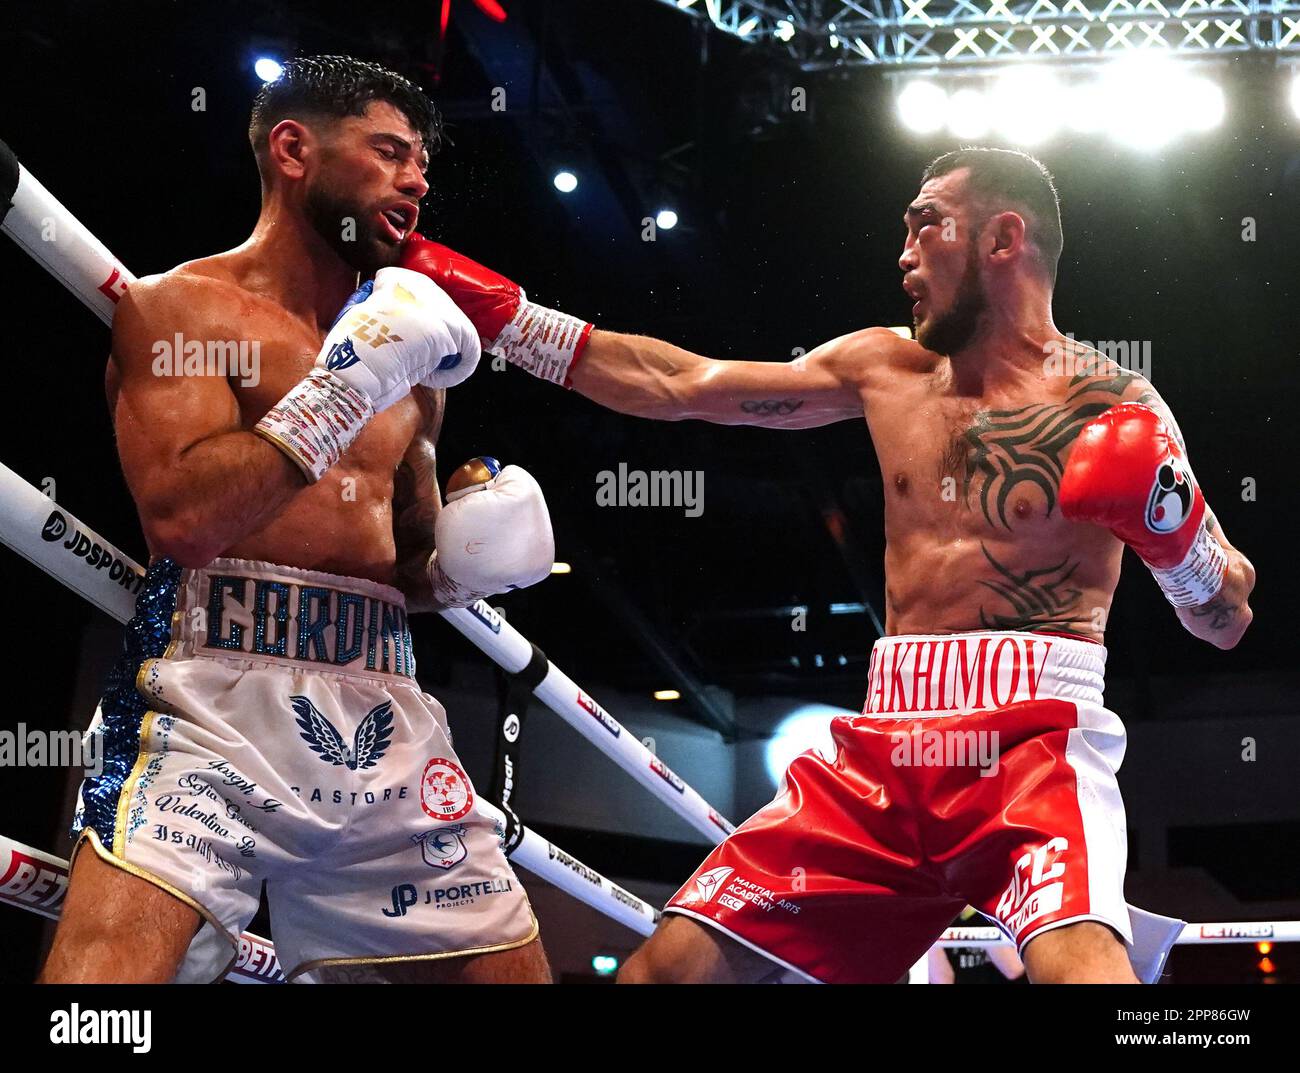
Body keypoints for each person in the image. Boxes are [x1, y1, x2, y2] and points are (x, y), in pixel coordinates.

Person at [396, 147, 1256, 983]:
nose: (904, 254)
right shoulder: (885, 366)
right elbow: (679, 383)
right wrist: (502, 316)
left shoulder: (1111, 402)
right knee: (666, 969)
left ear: (1003, 239)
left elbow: (1225, 615)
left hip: (1033, 743)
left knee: (1081, 968)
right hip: (884, 744)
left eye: (927, 226)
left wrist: (1171, 540)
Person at [40, 56, 554, 984]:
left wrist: (462, 564)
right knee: (98, 1001)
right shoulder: (180, 308)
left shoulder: (408, 345)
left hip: (381, 706)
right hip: (209, 702)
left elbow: (406, 558)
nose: (416, 180)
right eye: (390, 152)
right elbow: (186, 519)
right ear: (293, 150)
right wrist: (347, 383)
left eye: (423, 166)